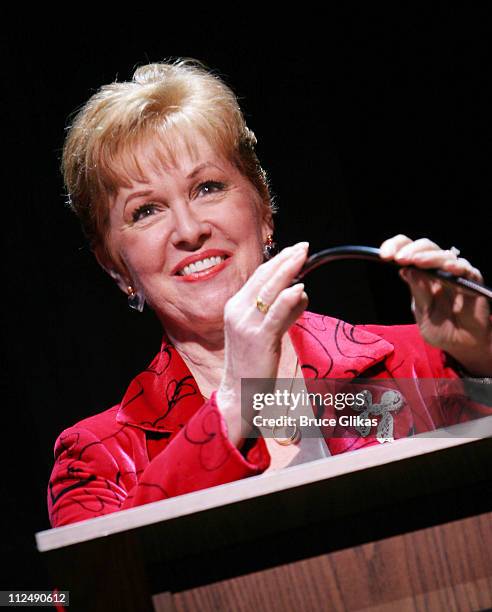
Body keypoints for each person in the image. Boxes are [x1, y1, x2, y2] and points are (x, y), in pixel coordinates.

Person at [47, 59, 492, 528]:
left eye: (207, 187)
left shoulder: (423, 365)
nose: (189, 230)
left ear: (264, 210)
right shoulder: (97, 460)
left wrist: (484, 357)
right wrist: (237, 402)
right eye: (146, 211)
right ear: (117, 267)